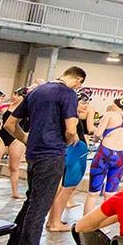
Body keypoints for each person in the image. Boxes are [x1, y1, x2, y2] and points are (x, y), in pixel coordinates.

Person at [1, 66, 86, 245]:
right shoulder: (68, 94)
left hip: (34, 154)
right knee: (39, 208)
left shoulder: (36, 92)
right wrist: (70, 140)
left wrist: (26, 139)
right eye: (80, 84)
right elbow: (70, 129)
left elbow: (10, 123)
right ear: (78, 80)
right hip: (52, 154)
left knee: (31, 203)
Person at [49, 91, 94, 232]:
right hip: (76, 153)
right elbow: (71, 132)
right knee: (67, 190)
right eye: (83, 102)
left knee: (62, 189)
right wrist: (74, 139)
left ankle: (52, 221)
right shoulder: (73, 118)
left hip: (69, 152)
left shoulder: (65, 115)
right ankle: (55, 223)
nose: (86, 106)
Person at [87, 94, 123, 207]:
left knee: (92, 193)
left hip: (104, 153)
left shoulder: (109, 115)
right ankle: (104, 222)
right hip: (120, 156)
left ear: (116, 104)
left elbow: (97, 134)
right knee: (110, 194)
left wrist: (97, 139)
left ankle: (86, 222)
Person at [0, 87, 28, 199]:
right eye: (14, 94)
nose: (15, 97)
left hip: (16, 138)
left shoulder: (27, 110)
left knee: (14, 167)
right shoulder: (6, 107)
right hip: (2, 136)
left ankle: (15, 192)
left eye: (18, 95)